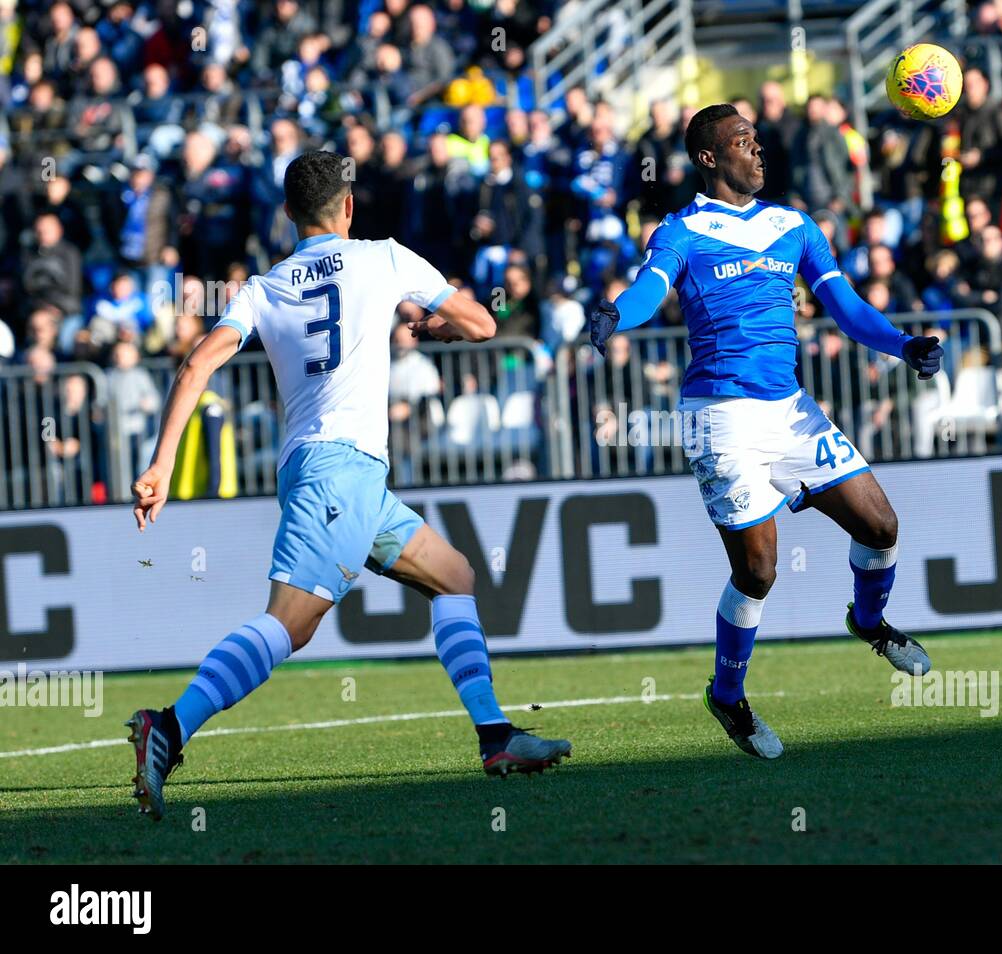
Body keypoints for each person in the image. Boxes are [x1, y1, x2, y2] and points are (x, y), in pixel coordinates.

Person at [125, 151, 571, 821]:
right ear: (349, 206)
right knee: (289, 627)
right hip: (342, 473)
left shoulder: (263, 287)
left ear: (287, 216)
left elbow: (196, 365)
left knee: (453, 575)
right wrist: (438, 327)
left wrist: (160, 466)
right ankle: (171, 725)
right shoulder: (385, 258)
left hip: (332, 473)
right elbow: (482, 322)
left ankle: (495, 736)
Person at [588, 105, 941, 760]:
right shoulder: (682, 231)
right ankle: (728, 695)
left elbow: (845, 308)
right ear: (709, 158)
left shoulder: (794, 226)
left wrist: (902, 342)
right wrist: (616, 313)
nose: (758, 150)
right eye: (742, 142)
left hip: (789, 411)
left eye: (757, 139)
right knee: (758, 569)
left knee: (882, 526)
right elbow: (649, 288)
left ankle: (869, 623)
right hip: (719, 417)